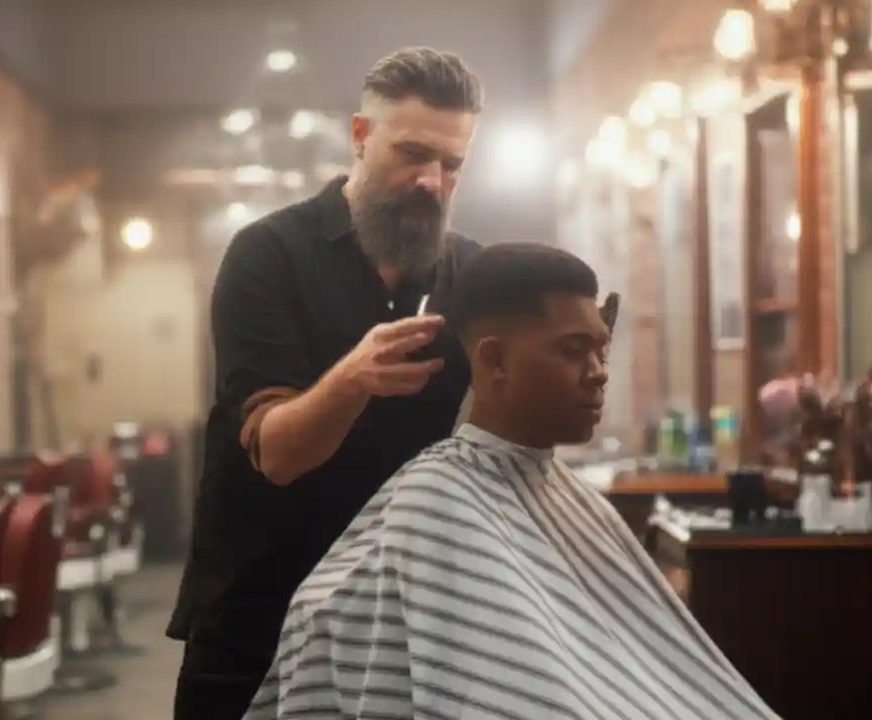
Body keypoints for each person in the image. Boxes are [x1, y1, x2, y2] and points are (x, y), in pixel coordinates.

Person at [245, 243, 780, 720]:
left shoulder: (563, 493)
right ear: (494, 360)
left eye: (602, 350)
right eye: (573, 350)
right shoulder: (437, 502)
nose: (598, 372)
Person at [169, 47, 485, 719]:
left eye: (450, 165)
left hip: (404, 623)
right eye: (412, 154)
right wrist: (352, 379)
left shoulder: (470, 274)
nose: (431, 181)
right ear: (361, 137)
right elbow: (278, 455)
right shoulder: (268, 256)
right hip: (262, 615)